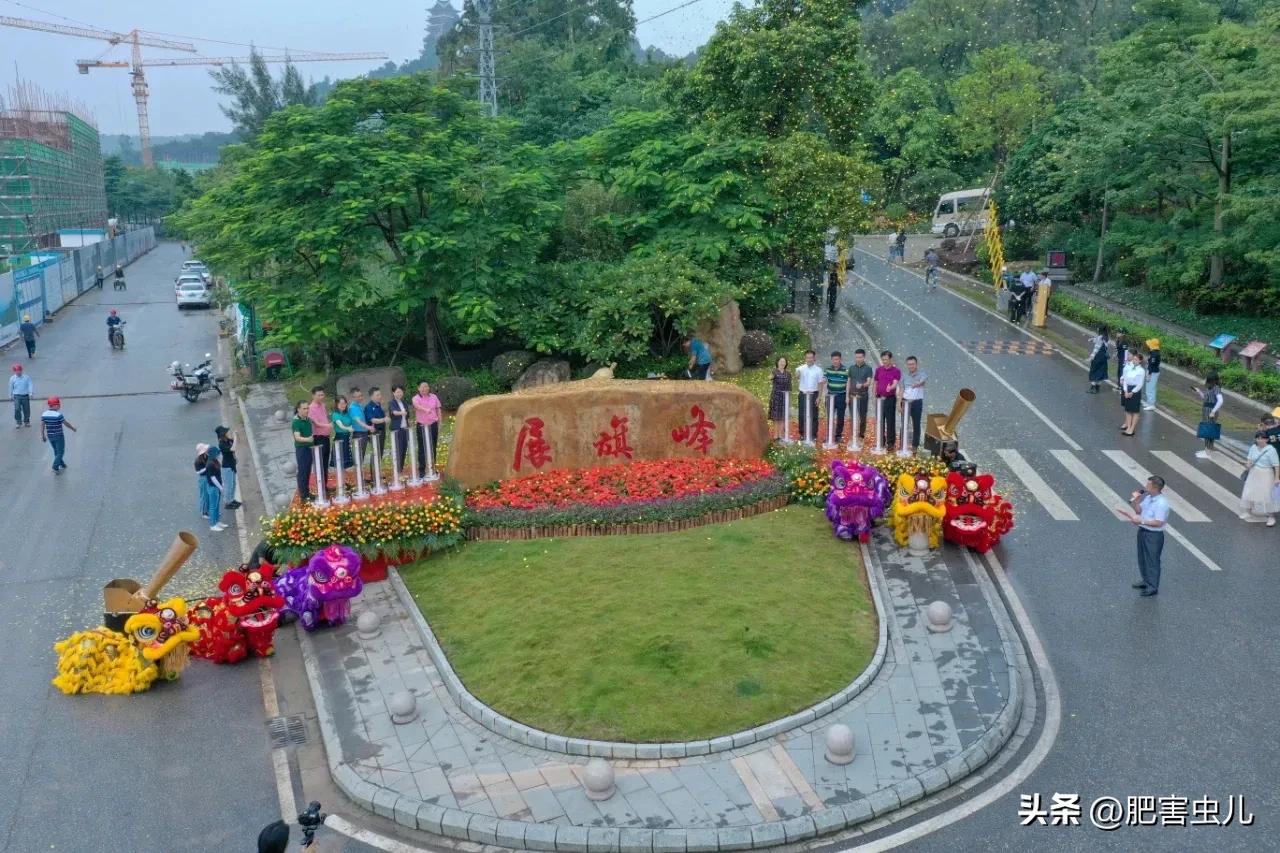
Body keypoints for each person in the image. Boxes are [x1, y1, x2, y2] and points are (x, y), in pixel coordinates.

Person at [1122, 475, 1169, 597]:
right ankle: (1146, 580)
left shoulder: (1161, 503)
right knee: (1142, 558)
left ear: (1155, 487)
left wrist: (1141, 522)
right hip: (1143, 531)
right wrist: (1136, 500)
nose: (1145, 486)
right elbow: (1139, 511)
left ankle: (1153, 586)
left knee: (1152, 560)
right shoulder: (1148, 497)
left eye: (1148, 485)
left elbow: (1159, 522)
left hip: (1153, 535)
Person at [1239, 431, 1279, 526]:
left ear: (1267, 440)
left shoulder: (1271, 450)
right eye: (1258, 438)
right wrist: (1247, 464)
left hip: (1266, 473)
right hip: (1254, 472)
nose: (1260, 440)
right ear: (1255, 439)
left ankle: (1271, 516)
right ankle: (1248, 511)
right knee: (1249, 491)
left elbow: (1277, 465)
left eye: (1262, 438)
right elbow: (1249, 459)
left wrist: (1277, 478)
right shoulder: (1253, 447)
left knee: (1267, 495)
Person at [412, 381, 442, 475]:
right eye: (423, 387)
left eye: (426, 386)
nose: (425, 388)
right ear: (418, 388)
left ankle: (432, 468)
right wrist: (426, 410)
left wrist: (440, 423)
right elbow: (417, 406)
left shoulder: (434, 396)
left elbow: (438, 409)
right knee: (422, 447)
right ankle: (422, 470)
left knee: (433, 446)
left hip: (433, 424)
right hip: (422, 425)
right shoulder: (416, 398)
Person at [40, 395, 76, 473]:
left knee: (56, 451)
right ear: (55, 405)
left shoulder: (44, 414)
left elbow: (42, 425)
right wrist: (73, 428)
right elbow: (66, 423)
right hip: (59, 436)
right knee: (60, 452)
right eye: (58, 405)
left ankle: (62, 464)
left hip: (50, 436)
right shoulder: (58, 415)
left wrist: (43, 435)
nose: (59, 406)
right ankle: (55, 466)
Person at [795, 350, 824, 443]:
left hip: (814, 394)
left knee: (814, 415)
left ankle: (813, 435)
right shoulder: (800, 368)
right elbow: (797, 376)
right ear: (805, 358)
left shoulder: (819, 370)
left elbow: (820, 384)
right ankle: (803, 434)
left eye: (811, 357)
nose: (809, 359)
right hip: (803, 394)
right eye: (807, 357)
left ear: (814, 358)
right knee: (802, 414)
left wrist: (819, 397)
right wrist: (798, 374)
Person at [874, 351, 901, 449]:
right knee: (880, 420)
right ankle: (881, 440)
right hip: (879, 398)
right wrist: (874, 394)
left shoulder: (896, 371)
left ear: (890, 359)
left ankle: (890, 443)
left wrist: (891, 387)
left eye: (886, 359)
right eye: (883, 359)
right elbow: (876, 382)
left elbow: (895, 383)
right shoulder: (879, 370)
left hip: (890, 399)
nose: (884, 361)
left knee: (890, 421)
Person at [1194, 374, 1223, 459]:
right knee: (1207, 429)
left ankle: (1208, 451)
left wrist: (1213, 411)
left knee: (1208, 430)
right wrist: (1199, 392)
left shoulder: (1216, 388)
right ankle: (1207, 449)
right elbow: (1205, 398)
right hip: (1206, 410)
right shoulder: (1210, 388)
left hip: (1210, 411)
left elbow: (1220, 401)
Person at [848, 349, 873, 445]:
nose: (858, 359)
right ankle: (853, 436)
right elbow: (848, 382)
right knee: (853, 417)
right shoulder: (851, 368)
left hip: (863, 396)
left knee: (862, 417)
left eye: (860, 357)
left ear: (864, 357)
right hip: (852, 396)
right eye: (856, 357)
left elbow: (869, 382)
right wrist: (847, 396)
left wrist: (862, 385)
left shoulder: (868, 368)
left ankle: (861, 436)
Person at [901, 356, 927, 452]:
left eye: (912, 364)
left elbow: (923, 382)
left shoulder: (922, 374)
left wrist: (917, 384)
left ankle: (914, 446)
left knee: (916, 424)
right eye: (909, 364)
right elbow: (902, 389)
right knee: (904, 424)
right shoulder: (904, 375)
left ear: (916, 364)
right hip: (905, 401)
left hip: (916, 402)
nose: (911, 366)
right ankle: (902, 444)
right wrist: (899, 402)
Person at [291, 400, 315, 502]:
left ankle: (307, 492)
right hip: (302, 449)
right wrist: (308, 439)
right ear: (298, 409)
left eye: (307, 408)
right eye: (304, 408)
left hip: (309, 448)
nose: (307, 410)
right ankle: (304, 496)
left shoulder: (307, 419)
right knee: (303, 472)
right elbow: (297, 437)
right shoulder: (296, 422)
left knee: (308, 470)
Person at [1119, 350, 1146, 436]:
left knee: (1134, 411)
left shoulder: (1141, 370)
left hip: (1135, 391)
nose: (1134, 361)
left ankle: (1132, 428)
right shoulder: (1130, 367)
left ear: (1140, 361)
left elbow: (1140, 384)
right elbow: (1126, 379)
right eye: (1133, 359)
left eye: (1136, 360)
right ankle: (1128, 426)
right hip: (1128, 389)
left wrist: (1132, 392)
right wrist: (1126, 390)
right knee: (1127, 410)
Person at [823, 351, 849, 442]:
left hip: (841, 396)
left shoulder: (846, 370)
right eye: (833, 359)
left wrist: (847, 397)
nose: (835, 361)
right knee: (830, 416)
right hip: (830, 396)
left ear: (840, 359)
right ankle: (829, 435)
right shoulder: (828, 369)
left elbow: (848, 383)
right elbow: (824, 379)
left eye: (837, 359)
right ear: (831, 360)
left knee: (840, 417)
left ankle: (838, 435)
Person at [215, 425, 241, 510]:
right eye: (225, 432)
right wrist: (235, 437)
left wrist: (236, 436)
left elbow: (236, 443)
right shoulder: (221, 444)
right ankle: (227, 502)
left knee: (233, 483)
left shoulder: (227, 440)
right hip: (227, 467)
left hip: (232, 465)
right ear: (222, 435)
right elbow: (233, 448)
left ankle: (231, 499)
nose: (227, 433)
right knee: (228, 485)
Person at [365, 386, 387, 477]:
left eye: (380, 394)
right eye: (377, 395)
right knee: (375, 453)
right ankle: (374, 475)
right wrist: (384, 419)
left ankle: (377, 472)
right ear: (371, 396)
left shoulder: (378, 405)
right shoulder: (369, 407)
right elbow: (372, 420)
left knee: (380, 452)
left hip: (381, 432)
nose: (380, 396)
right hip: (374, 433)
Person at [204, 445, 227, 532]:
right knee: (213, 506)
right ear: (213, 454)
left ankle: (217, 522)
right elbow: (213, 478)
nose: (219, 454)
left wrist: (222, 484)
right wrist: (220, 487)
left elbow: (218, 475)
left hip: (216, 487)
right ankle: (212, 525)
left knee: (216, 505)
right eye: (217, 453)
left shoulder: (214, 461)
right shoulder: (210, 464)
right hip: (213, 487)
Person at [388, 385, 410, 476]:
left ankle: (400, 468)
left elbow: (407, 415)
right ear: (393, 393)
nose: (399, 393)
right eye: (397, 392)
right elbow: (394, 412)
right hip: (397, 429)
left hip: (405, 428)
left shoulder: (404, 403)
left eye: (401, 392)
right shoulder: (392, 402)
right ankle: (397, 470)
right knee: (398, 449)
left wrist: (408, 421)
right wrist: (402, 413)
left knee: (404, 448)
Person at [308, 386, 331, 470]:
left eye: (322, 395)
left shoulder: (323, 405)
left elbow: (325, 417)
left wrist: (329, 424)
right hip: (319, 438)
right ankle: (320, 481)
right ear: (313, 396)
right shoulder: (310, 408)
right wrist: (329, 425)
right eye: (319, 395)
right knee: (320, 462)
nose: (321, 397)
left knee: (325, 461)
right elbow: (317, 423)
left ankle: (325, 481)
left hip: (326, 437)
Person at [768, 356, 790, 441]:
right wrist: (771, 376)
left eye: (784, 362)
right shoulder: (774, 371)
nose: (782, 363)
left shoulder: (788, 373)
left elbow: (789, 386)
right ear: (777, 362)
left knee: (782, 416)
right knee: (776, 417)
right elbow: (770, 377)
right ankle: (775, 435)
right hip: (776, 396)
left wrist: (788, 394)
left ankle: (781, 434)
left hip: (785, 396)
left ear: (786, 363)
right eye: (781, 361)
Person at [348, 387, 371, 469]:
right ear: (353, 397)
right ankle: (358, 478)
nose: (360, 397)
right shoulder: (352, 408)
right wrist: (367, 427)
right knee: (358, 458)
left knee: (361, 456)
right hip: (358, 434)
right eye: (357, 396)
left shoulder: (359, 406)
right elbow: (358, 420)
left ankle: (360, 477)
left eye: (360, 395)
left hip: (364, 433)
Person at [331, 396, 356, 471]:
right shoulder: (335, 414)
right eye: (341, 403)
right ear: (337, 404)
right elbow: (341, 425)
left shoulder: (347, 413)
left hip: (347, 436)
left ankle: (348, 469)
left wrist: (351, 427)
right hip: (340, 437)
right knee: (340, 456)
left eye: (344, 403)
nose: (343, 405)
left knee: (348, 453)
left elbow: (352, 421)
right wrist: (348, 428)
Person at [1087, 325, 1110, 393]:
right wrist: (1092, 339)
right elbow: (1099, 341)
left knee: (1094, 371)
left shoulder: (1100, 337)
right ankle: (1097, 389)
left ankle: (1092, 388)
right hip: (1103, 358)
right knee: (1101, 372)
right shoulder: (1106, 338)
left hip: (1098, 357)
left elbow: (1096, 348)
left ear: (1100, 330)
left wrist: (1091, 357)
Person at [10, 364, 32, 428]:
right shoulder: (12, 378)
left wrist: (31, 393)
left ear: (21, 370)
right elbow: (10, 387)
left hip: (25, 395)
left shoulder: (26, 377)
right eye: (16, 371)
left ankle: (26, 421)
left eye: (19, 370)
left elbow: (30, 385)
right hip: (16, 396)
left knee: (26, 409)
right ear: (14, 371)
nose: (18, 372)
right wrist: (10, 395)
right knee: (17, 409)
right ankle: (18, 422)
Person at [1143, 338, 1161, 410]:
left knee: (1151, 388)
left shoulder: (1154, 354)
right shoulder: (1153, 352)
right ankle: (1148, 402)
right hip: (1152, 371)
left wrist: (1149, 374)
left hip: (1153, 372)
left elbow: (1152, 365)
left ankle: (1151, 404)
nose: (1148, 346)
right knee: (1148, 387)